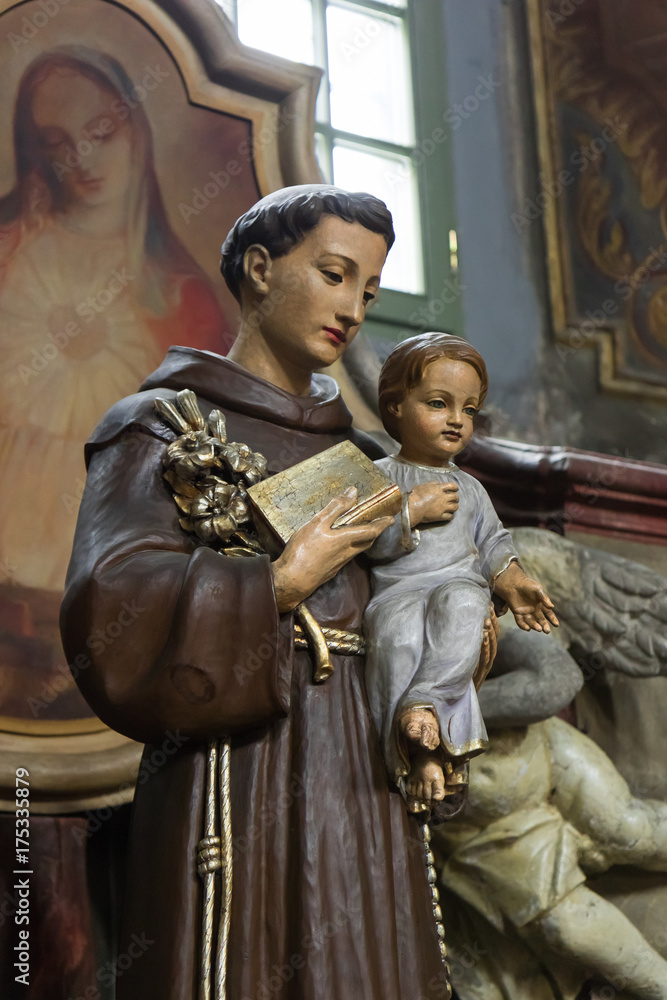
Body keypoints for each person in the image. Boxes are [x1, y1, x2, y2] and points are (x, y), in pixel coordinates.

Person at [60, 186, 457, 999]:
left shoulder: (367, 455)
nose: (350, 309)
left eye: (369, 292)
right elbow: (109, 604)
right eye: (334, 274)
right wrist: (273, 586)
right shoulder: (163, 427)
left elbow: (413, 596)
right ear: (260, 269)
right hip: (241, 764)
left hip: (361, 759)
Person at [0, 46, 232, 599]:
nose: (80, 157)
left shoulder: (184, 299)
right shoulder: (12, 252)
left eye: (101, 133)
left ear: (136, 135)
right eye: (58, 142)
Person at [363, 334, 559, 813]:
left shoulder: (470, 488)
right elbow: (364, 542)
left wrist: (513, 582)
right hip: (396, 595)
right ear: (394, 409)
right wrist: (410, 510)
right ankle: (417, 756)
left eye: (469, 410)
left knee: (465, 610)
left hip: (459, 588)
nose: (456, 420)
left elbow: (493, 543)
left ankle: (424, 706)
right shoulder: (377, 475)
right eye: (438, 403)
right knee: (396, 642)